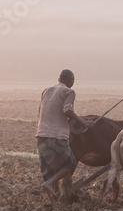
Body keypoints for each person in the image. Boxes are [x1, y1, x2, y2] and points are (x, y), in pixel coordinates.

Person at [36, 69, 88, 204]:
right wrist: (84, 122)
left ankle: (53, 203)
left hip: (41, 134)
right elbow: (68, 110)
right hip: (57, 135)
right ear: (69, 79)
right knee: (70, 163)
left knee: (47, 168)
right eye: (73, 80)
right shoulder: (69, 92)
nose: (73, 83)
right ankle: (50, 183)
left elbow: (39, 111)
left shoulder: (46, 91)